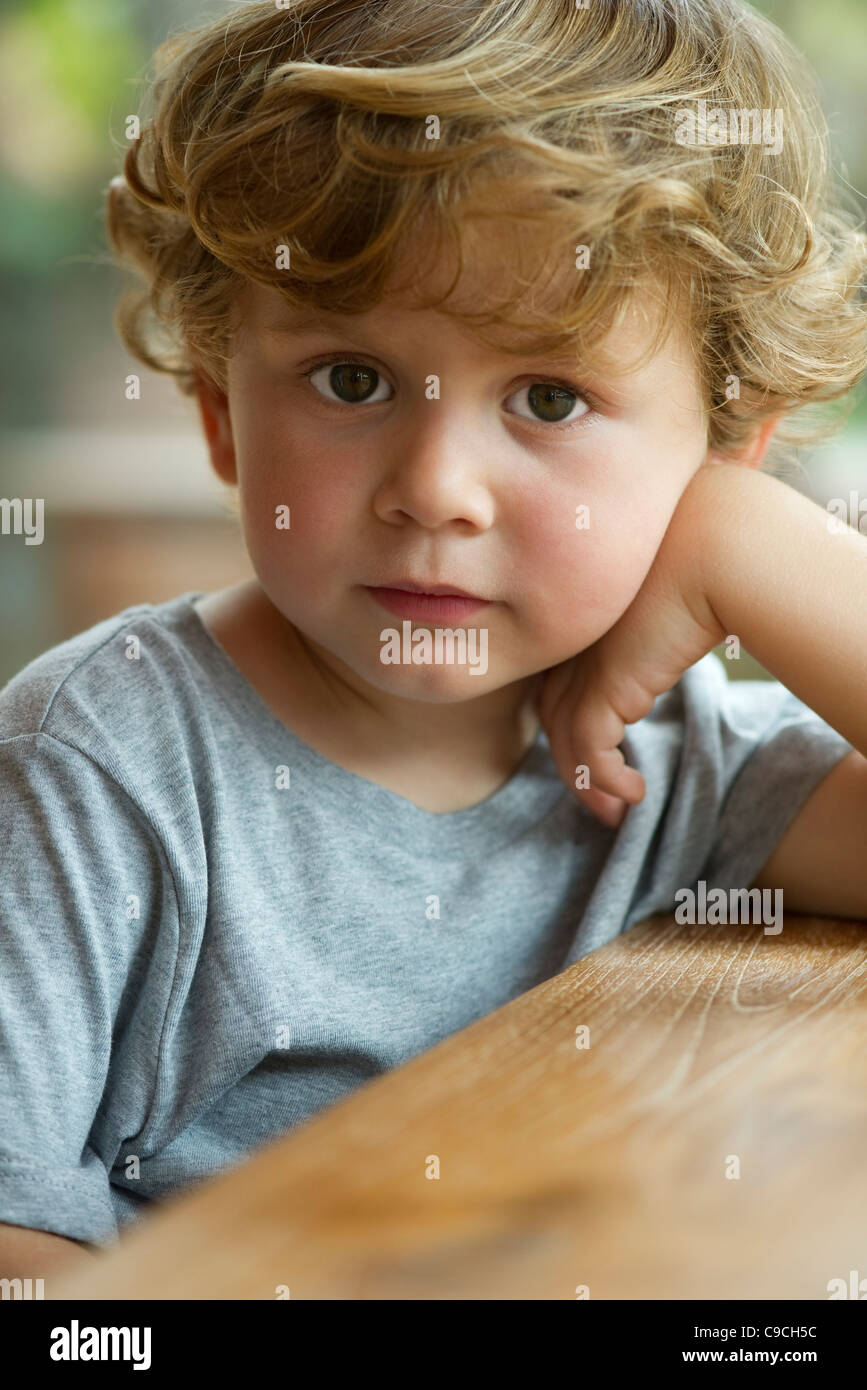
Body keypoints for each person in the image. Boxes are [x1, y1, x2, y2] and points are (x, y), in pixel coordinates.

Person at [2, 0, 866, 1278]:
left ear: (719, 445)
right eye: (350, 378)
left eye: (551, 397)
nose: (435, 488)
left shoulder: (680, 764)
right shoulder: (99, 763)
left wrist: (748, 538)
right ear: (221, 412)